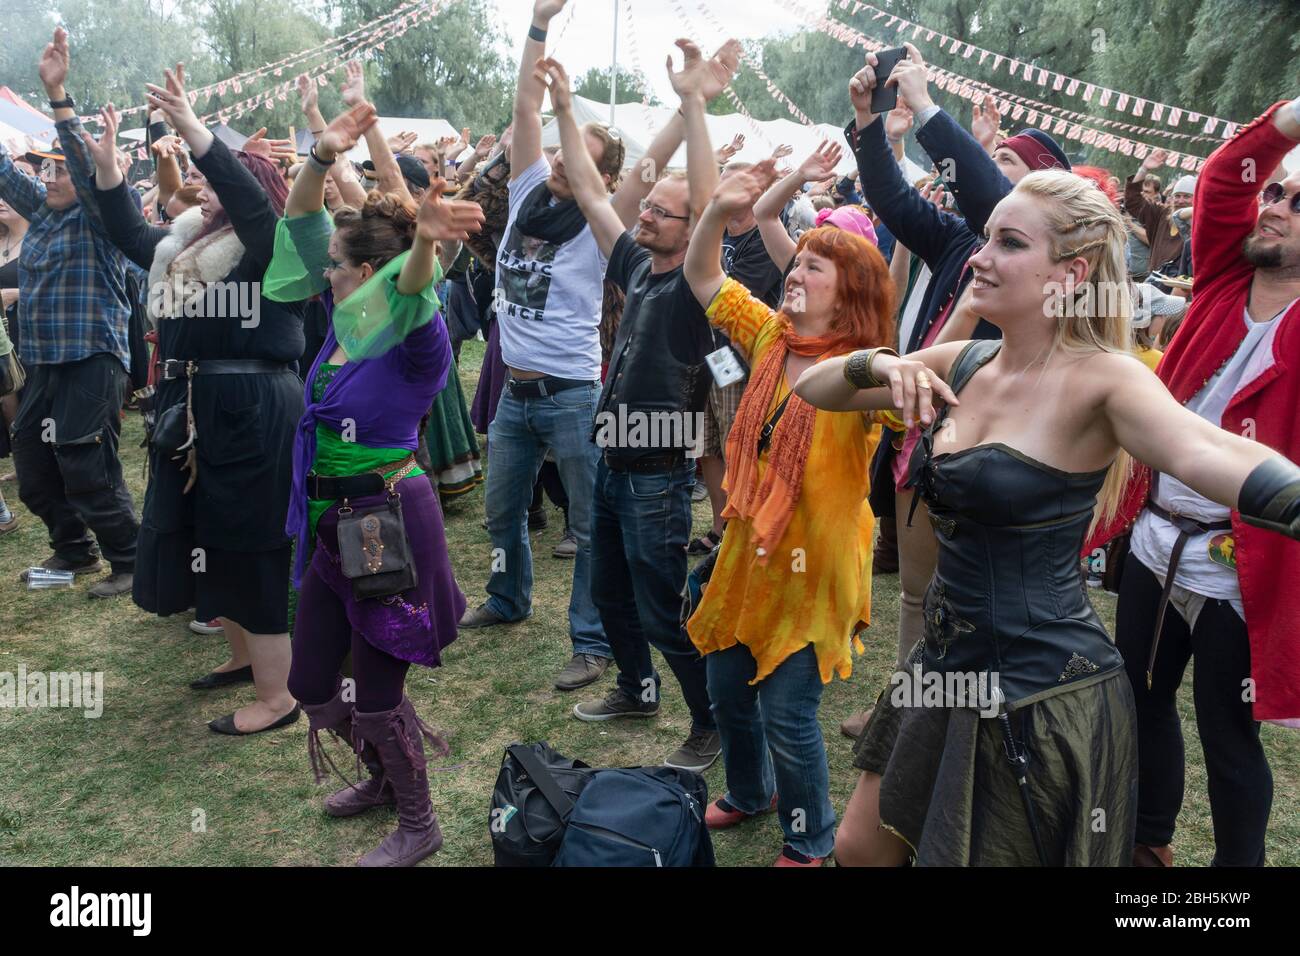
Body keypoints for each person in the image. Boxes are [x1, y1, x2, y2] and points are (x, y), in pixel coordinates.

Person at [799, 165, 1300, 866]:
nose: (979, 257)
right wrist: (880, 366)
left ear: (1071, 273)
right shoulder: (966, 363)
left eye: (1009, 243)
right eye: (984, 239)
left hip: (1038, 691)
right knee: (858, 849)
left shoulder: (1106, 378)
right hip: (942, 665)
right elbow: (812, 386)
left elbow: (1207, 449)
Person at [262, 98, 480, 867]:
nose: (324, 272)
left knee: (379, 690)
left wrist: (423, 241)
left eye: (336, 267)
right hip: (329, 521)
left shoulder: (414, 341)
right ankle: (385, 779)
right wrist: (319, 159)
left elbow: (417, 286)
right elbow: (300, 226)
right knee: (315, 680)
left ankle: (420, 822)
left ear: (364, 274)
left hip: (384, 518)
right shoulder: (350, 321)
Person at [1089, 96, 1300, 868]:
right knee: (1138, 696)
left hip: (1242, 566)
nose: (1274, 207)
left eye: (1297, 202)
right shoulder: (1217, 277)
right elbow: (1222, 181)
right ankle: (1148, 840)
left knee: (1227, 730)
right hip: (1154, 536)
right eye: (1275, 192)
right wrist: (1293, 119)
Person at [837, 43, 1070, 739]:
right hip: (920, 438)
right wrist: (870, 127)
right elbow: (892, 199)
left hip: (995, 445)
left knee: (977, 599)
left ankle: (967, 725)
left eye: (1008, 165)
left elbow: (990, 194)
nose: (989, 177)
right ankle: (906, 715)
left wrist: (934, 112)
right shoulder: (957, 242)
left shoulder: (1052, 268)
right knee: (915, 594)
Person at [682, 160, 898, 867]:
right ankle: (750, 790)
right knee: (723, 684)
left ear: (849, 297)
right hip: (748, 551)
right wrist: (715, 212)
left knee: (788, 711)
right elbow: (703, 276)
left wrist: (895, 369)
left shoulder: (864, 369)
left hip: (814, 569)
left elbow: (895, 388)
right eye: (796, 262)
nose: (796, 274)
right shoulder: (773, 337)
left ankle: (808, 840)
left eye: (815, 269)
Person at [536, 35, 740, 771]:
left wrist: (693, 106)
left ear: (694, 234)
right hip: (614, 459)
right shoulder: (635, 264)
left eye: (662, 212)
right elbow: (592, 191)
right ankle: (636, 685)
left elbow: (713, 205)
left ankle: (710, 719)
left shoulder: (692, 284)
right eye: (647, 205)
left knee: (661, 606)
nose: (646, 215)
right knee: (607, 591)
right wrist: (563, 108)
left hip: (657, 471)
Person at [84, 60, 306, 734]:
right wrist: (106, 170)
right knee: (214, 534)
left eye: (213, 180)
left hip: (252, 409)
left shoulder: (272, 245)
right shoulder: (188, 248)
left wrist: (196, 130)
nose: (201, 189)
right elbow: (127, 233)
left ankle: (280, 696)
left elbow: (243, 198)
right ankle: (244, 660)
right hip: (199, 410)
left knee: (250, 541)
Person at [457, 0, 626, 694]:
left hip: (572, 391)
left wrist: (568, 115)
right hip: (515, 391)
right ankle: (507, 597)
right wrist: (537, 22)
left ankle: (591, 643)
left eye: (579, 156)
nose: (559, 159)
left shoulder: (600, 217)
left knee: (589, 523)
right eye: (560, 148)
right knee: (501, 511)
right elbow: (525, 111)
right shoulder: (526, 188)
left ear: (604, 178)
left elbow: (571, 156)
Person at [0, 29, 140, 596]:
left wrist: (58, 95)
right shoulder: (44, 210)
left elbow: (84, 165)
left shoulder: (97, 214)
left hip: (92, 359)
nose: (49, 176)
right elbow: (6, 173)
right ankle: (73, 551)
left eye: (58, 171)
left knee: (86, 463)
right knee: (33, 466)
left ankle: (129, 559)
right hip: (47, 364)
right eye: (47, 170)